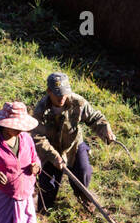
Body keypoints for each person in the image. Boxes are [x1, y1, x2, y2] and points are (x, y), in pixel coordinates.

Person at [31, 72, 116, 211]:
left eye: (64, 93)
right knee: (48, 188)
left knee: (84, 171)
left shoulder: (77, 102)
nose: (62, 97)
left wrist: (106, 130)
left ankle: (82, 197)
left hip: (73, 145)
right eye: (58, 94)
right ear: (49, 91)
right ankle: (44, 210)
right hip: (50, 150)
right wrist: (54, 157)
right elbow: (38, 138)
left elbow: (94, 118)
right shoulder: (41, 110)